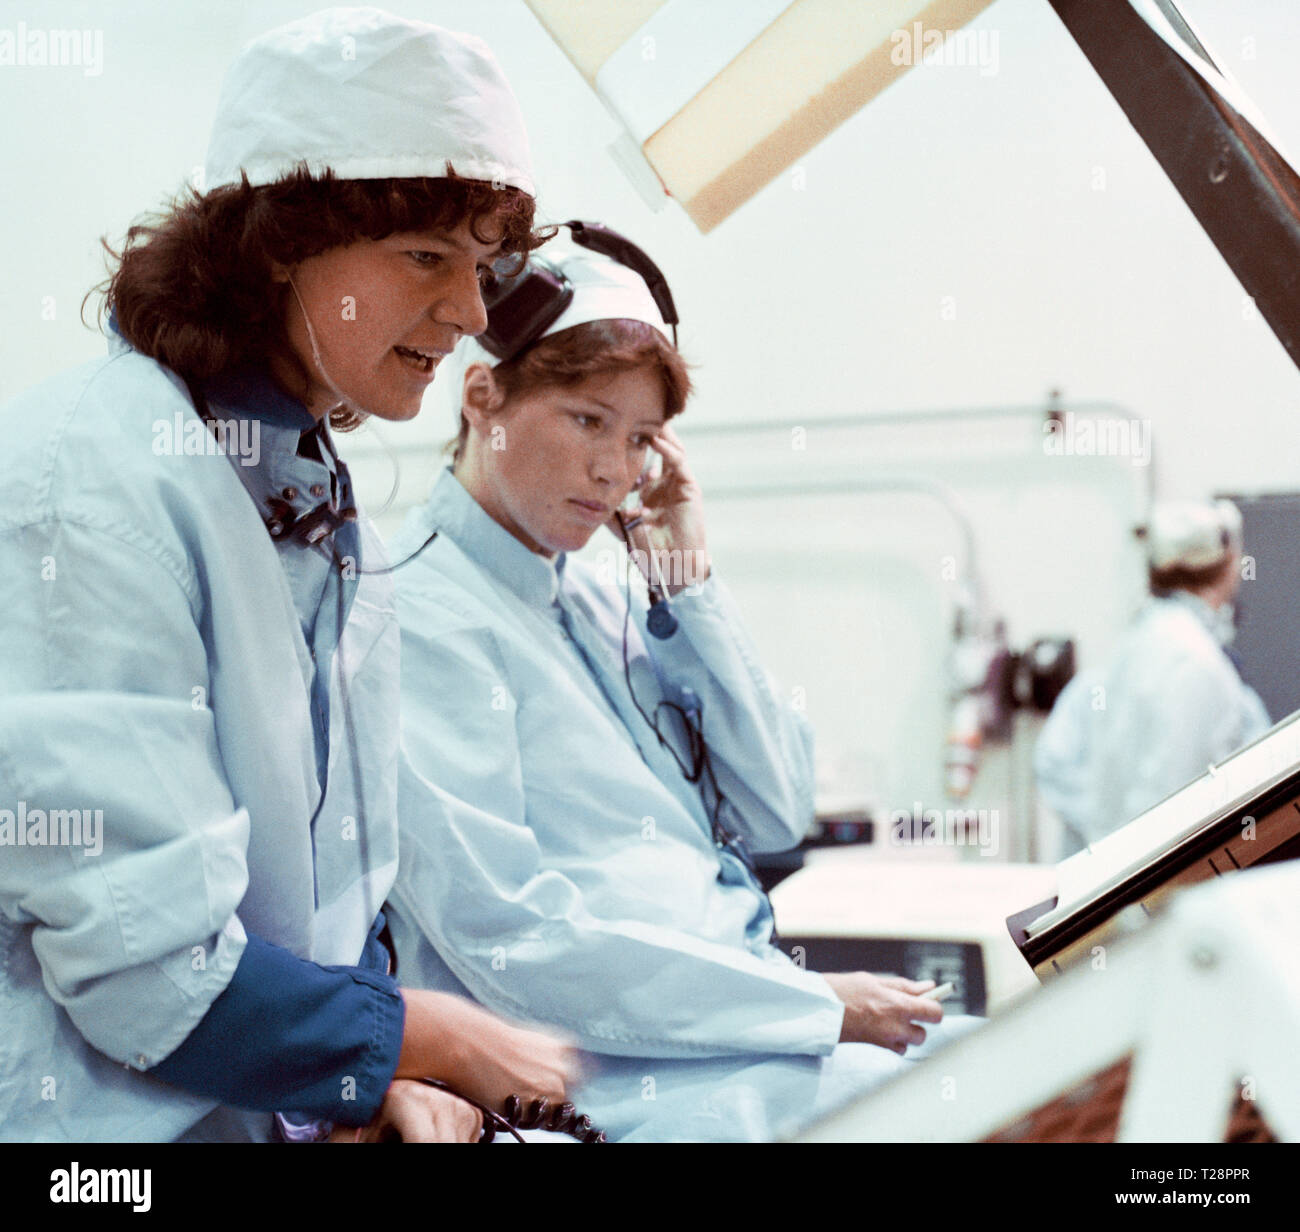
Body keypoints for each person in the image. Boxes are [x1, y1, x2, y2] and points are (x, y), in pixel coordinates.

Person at [0, 8, 577, 1143]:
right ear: (274, 249)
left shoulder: (301, 488)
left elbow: (326, 885)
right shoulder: (91, 482)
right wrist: (431, 1041)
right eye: (427, 258)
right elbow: (147, 970)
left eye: (481, 267)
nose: (470, 313)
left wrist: (364, 1081)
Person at [387, 239, 970, 1143]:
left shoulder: (604, 595)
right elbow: (511, 938)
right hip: (622, 1074)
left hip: (737, 1032)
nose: (614, 471)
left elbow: (776, 812)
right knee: (948, 1102)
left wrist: (689, 581)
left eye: (639, 441)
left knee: (1026, 1056)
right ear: (482, 397)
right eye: (588, 421)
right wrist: (813, 1008)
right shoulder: (418, 614)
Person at [1035, 499, 1272, 853]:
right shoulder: (1193, 661)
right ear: (1225, 566)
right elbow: (1173, 807)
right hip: (1159, 873)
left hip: (1123, 865)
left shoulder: (1141, 645)